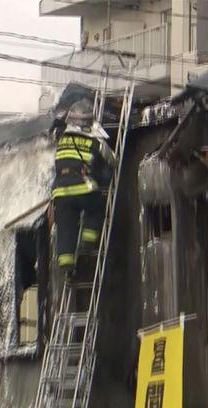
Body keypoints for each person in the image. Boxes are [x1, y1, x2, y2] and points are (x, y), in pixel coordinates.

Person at [51, 99, 116, 278]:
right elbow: (112, 159)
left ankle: (67, 265)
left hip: (61, 193)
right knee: (96, 209)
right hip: (84, 188)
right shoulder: (94, 141)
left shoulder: (61, 140)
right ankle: (88, 241)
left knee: (66, 228)